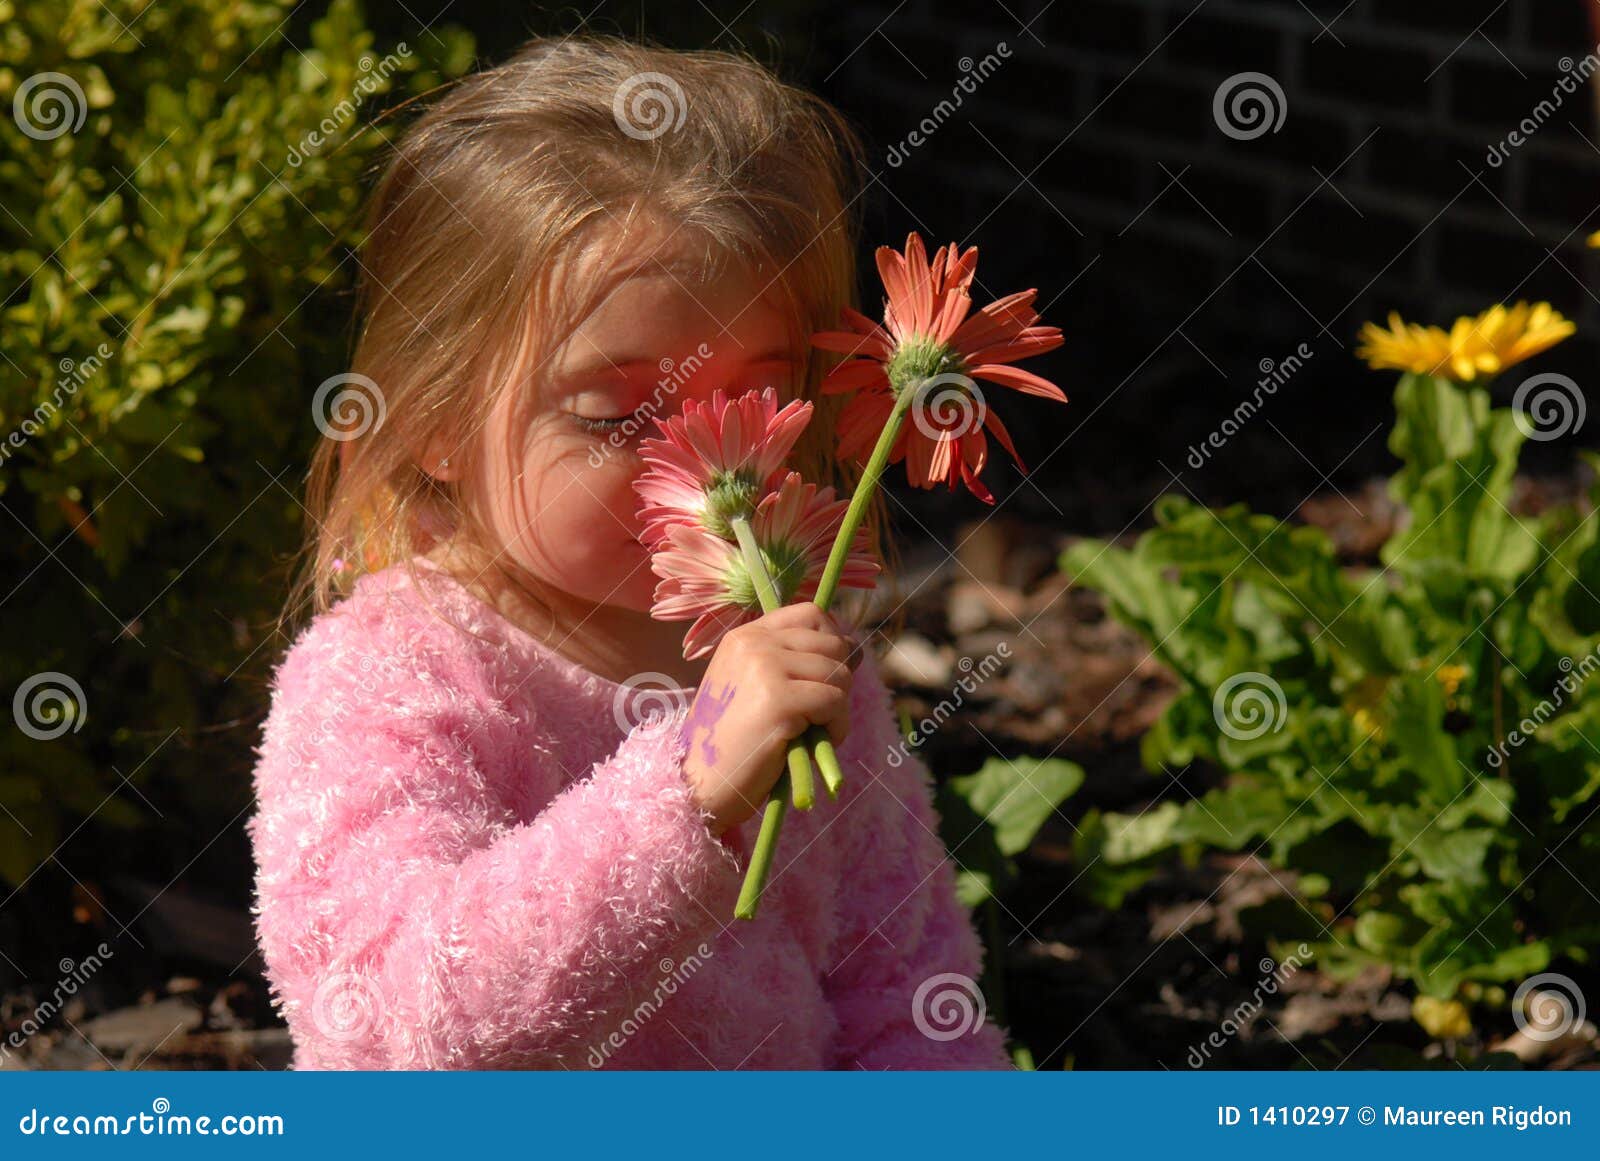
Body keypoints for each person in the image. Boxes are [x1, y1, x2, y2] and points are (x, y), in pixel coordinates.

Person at [248, 33, 1012, 1070]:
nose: (706, 467)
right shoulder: (387, 679)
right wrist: (688, 792)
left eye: (762, 398)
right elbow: (399, 1025)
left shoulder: (797, 655)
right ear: (433, 417)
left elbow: (904, 988)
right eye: (618, 415)